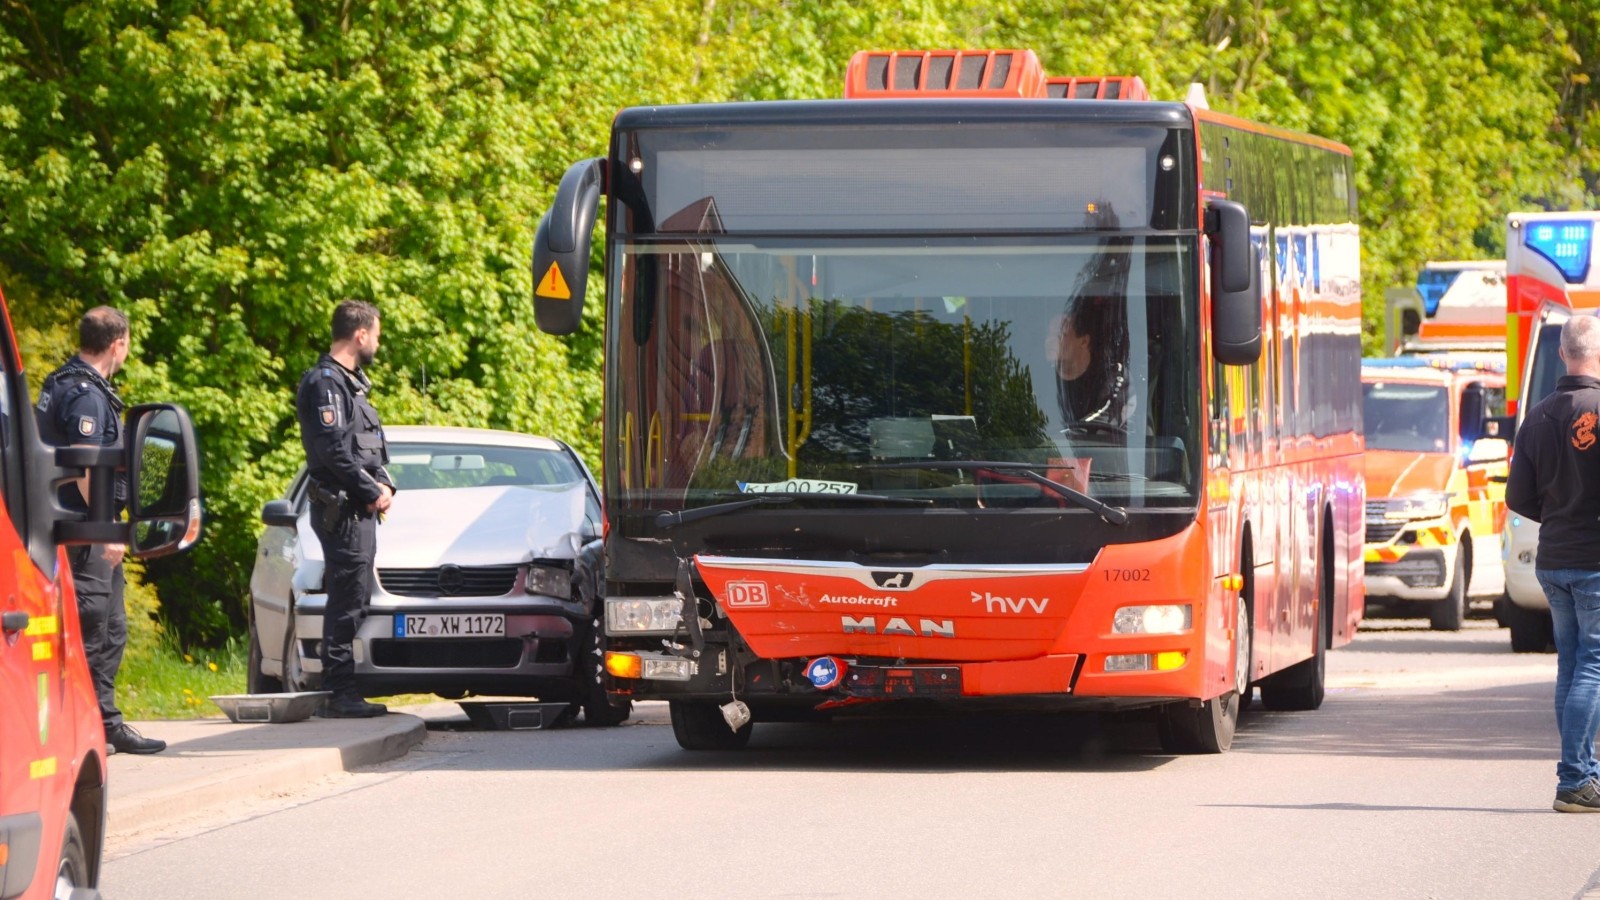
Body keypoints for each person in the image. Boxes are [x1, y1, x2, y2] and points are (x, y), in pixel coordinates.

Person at [35, 307, 166, 754]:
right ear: (119, 344)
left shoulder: (61, 382)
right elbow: (85, 467)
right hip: (86, 530)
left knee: (111, 628)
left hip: (81, 528)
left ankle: (104, 722)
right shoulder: (87, 396)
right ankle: (80, 731)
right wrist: (108, 531)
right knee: (92, 628)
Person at [1506, 314, 1600, 812]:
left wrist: (1558, 515)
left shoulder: (1537, 417)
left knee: (1571, 664)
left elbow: (1517, 497)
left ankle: (1582, 772)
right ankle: (1575, 779)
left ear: (1562, 353)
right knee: (1594, 665)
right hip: (1593, 561)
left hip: (1554, 558)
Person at [295, 300, 395, 718]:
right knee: (347, 599)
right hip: (344, 509)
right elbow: (332, 450)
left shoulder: (352, 384)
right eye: (375, 334)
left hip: (360, 509)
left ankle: (345, 686)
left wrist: (385, 482)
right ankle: (340, 692)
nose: (377, 342)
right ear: (360, 334)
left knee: (354, 596)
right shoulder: (326, 384)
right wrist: (369, 489)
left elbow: (367, 448)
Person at [1048, 294, 1130, 431]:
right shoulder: (1036, 380)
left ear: (1084, 341)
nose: (1049, 340)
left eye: (1059, 335)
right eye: (1048, 334)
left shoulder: (1115, 381)